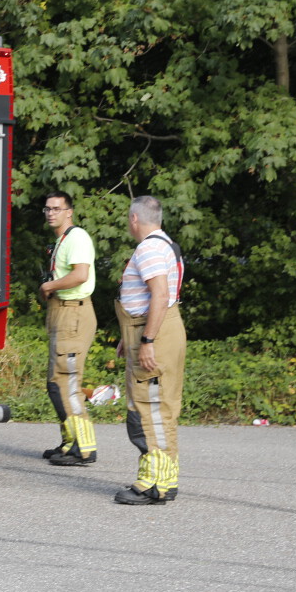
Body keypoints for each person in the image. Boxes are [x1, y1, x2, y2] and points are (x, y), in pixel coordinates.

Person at [114, 194, 185, 504]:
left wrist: (146, 341)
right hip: (161, 329)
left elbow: (159, 295)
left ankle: (151, 484)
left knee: (147, 410)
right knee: (164, 408)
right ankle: (167, 479)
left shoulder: (149, 248)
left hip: (154, 334)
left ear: (134, 219)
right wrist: (127, 339)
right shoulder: (166, 243)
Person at [39, 191, 98, 466]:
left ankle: (84, 447)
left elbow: (80, 274)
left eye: (57, 208)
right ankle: (69, 441)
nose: (51, 213)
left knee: (68, 382)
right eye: (48, 209)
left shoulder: (77, 237)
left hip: (74, 313)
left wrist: (49, 286)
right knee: (56, 383)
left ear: (69, 212)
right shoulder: (61, 240)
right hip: (62, 311)